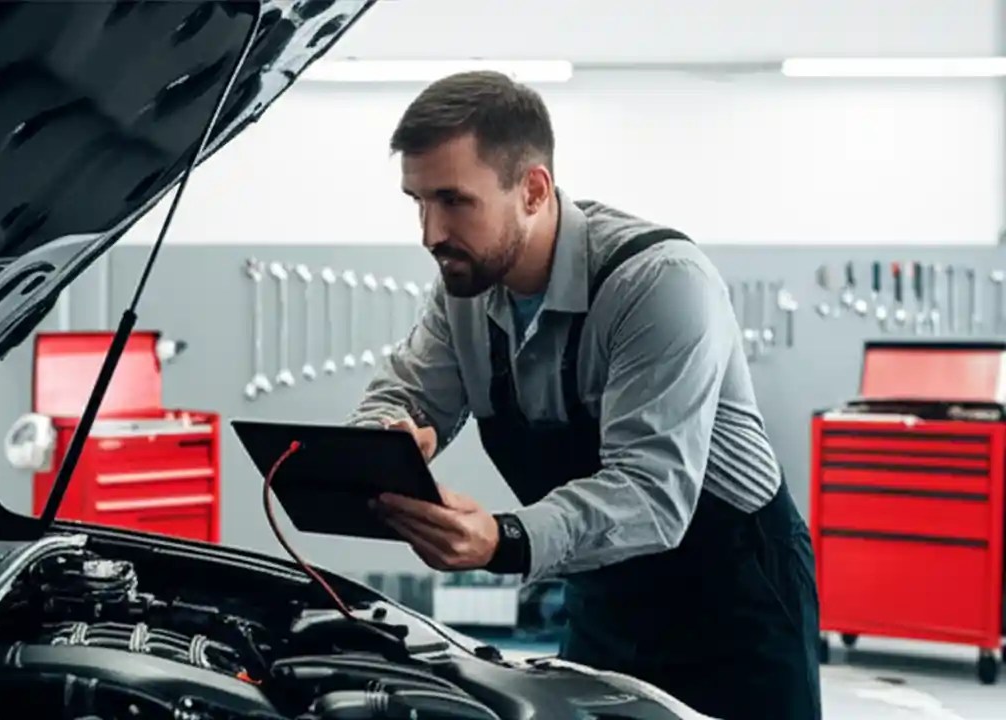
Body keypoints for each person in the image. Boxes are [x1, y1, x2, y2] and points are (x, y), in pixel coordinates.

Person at [348, 70, 821, 720]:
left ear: (533, 190)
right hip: (603, 589)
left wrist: (503, 538)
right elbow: (407, 393)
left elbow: (651, 492)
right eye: (418, 202)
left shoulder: (657, 283)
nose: (430, 232)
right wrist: (389, 433)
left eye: (454, 201)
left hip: (733, 596)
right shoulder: (465, 290)